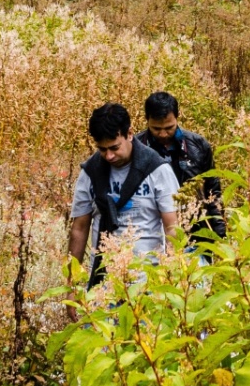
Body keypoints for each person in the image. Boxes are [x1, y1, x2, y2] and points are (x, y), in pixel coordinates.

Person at [68, 102, 178, 287]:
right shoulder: (90, 172)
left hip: (146, 281)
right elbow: (79, 229)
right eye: (102, 149)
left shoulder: (157, 170)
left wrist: (172, 278)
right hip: (103, 282)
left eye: (115, 147)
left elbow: (172, 227)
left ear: (129, 134)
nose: (109, 156)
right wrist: (72, 285)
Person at [138, 91, 225, 241]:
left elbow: (213, 192)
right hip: (153, 234)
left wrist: (220, 235)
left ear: (178, 117)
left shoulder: (198, 146)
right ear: (147, 120)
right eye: (156, 129)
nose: (163, 134)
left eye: (169, 128)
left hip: (196, 231)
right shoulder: (135, 148)